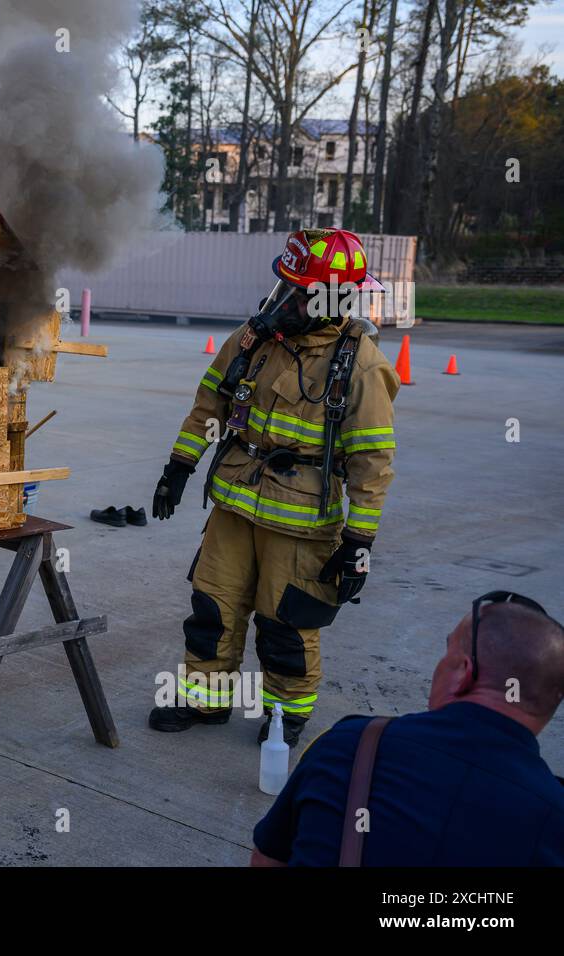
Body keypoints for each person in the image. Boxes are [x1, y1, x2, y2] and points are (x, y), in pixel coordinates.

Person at [148, 228, 400, 746]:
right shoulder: (255, 339)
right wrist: (179, 465)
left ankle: (286, 714)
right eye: (285, 286)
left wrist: (358, 543)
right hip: (235, 504)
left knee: (286, 624)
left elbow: (373, 463)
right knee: (212, 604)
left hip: (301, 521)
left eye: (300, 291)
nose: (284, 300)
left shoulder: (362, 364)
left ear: (334, 299)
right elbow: (209, 405)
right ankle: (205, 698)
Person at [251, 593, 564, 866]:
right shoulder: (553, 815)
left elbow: (267, 859)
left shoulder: (351, 745)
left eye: (448, 653)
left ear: (463, 674)